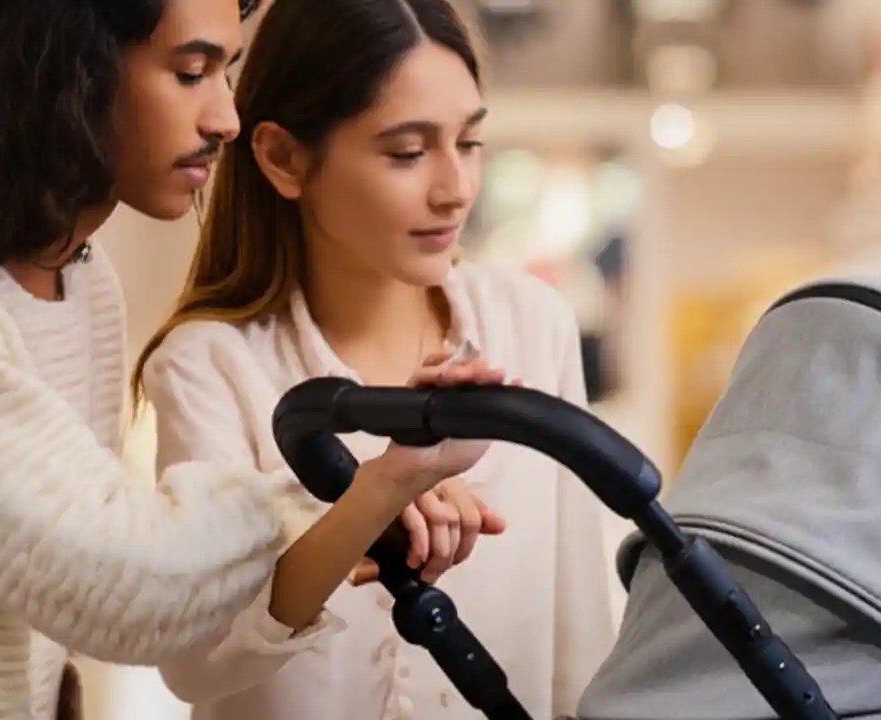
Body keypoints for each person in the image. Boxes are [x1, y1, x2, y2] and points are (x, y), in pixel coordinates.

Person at [0, 1, 502, 717]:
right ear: (66, 63)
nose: (224, 118)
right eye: (191, 71)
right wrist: (352, 492)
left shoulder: (83, 279)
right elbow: (120, 587)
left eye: (224, 72)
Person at [132, 0, 618, 717]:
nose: (455, 189)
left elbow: (581, 637)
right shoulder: (211, 365)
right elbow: (198, 662)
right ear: (283, 158)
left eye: (470, 143)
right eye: (408, 152)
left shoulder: (532, 324)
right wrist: (384, 488)